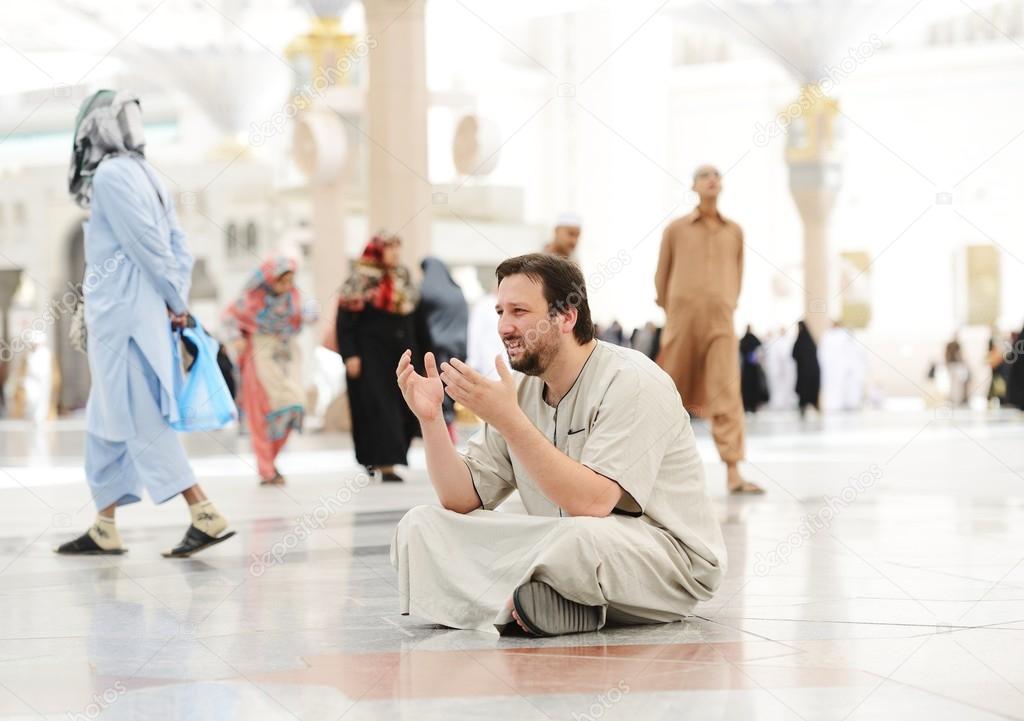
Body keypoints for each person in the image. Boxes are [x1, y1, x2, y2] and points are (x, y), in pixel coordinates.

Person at [391, 253, 726, 637]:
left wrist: (510, 421)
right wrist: (430, 420)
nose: (504, 327)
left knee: (577, 539)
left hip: (662, 559)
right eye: (501, 311)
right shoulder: (522, 392)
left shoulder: (631, 381)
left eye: (519, 311)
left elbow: (594, 503)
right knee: (422, 526)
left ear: (566, 316)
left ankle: (525, 598)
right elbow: (459, 498)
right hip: (564, 550)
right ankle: (547, 600)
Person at [56, 89, 232, 558]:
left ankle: (204, 512)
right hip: (132, 317)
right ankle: (104, 525)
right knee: (104, 421)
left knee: (138, 419)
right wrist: (176, 297)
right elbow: (177, 244)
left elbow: (148, 245)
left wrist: (174, 298)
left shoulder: (113, 175)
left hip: (124, 321)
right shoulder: (144, 173)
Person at [654, 164, 763, 494]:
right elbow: (662, 276)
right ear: (694, 186)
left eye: (717, 175)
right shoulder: (675, 229)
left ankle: (733, 472)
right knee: (665, 391)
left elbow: (738, 274)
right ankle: (652, 470)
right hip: (681, 321)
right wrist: (673, 308)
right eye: (704, 175)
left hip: (721, 322)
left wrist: (725, 304)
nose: (712, 179)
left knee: (726, 391)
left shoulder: (735, 231)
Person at [336, 233, 420, 482]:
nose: (396, 253)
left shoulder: (402, 278)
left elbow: (414, 319)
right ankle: (384, 463)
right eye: (390, 248)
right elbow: (345, 322)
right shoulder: (359, 281)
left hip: (401, 354)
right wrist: (350, 355)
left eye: (398, 247)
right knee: (377, 408)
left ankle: (390, 457)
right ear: (377, 251)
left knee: (403, 407)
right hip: (369, 356)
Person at [223, 255, 310, 486]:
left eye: (290, 280)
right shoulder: (252, 300)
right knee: (260, 415)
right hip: (259, 358)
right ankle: (266, 468)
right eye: (283, 280)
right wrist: (237, 338)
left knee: (295, 404)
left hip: (286, 358)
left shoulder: (293, 298)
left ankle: (270, 460)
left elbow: (303, 317)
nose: (287, 285)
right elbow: (230, 318)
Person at [416, 257, 469, 441]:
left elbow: (419, 323)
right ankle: (450, 428)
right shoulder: (457, 291)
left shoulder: (426, 290)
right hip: (458, 348)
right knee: (451, 388)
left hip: (436, 349)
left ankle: (443, 433)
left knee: (436, 390)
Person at [818, 320, 866, 412]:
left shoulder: (843, 336)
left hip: (843, 367)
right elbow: (822, 352)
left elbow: (848, 352)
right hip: (830, 368)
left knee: (846, 387)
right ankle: (833, 405)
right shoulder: (827, 336)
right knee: (831, 388)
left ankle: (848, 403)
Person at [792, 320, 821, 418]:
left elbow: (794, 354)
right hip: (806, 371)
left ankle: (811, 406)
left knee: (808, 389)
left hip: (807, 371)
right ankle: (804, 407)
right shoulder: (805, 341)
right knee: (805, 390)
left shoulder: (803, 341)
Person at [739, 325, 769, 413]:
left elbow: (760, 349)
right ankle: (747, 405)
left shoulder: (751, 339)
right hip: (748, 369)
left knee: (754, 386)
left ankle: (753, 405)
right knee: (747, 387)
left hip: (753, 368)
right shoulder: (745, 339)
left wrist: (755, 357)